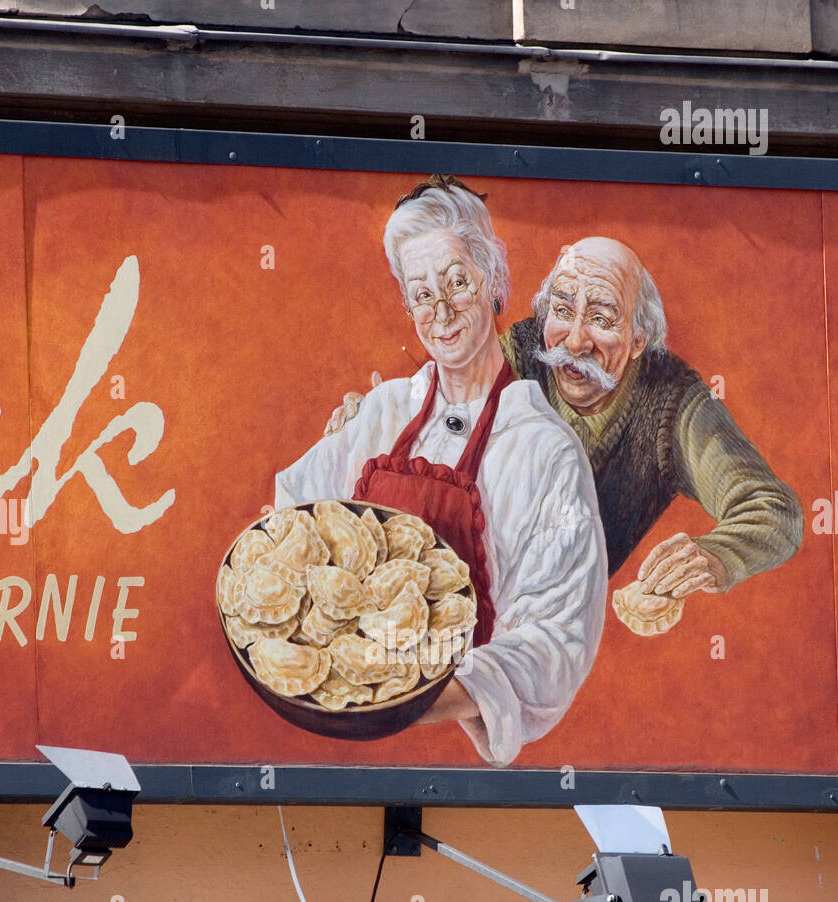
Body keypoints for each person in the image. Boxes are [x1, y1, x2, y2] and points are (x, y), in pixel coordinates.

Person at [273, 176, 607, 766]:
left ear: (493, 281)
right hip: (341, 725)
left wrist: (396, 700)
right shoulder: (381, 413)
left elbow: (556, 641)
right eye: (422, 294)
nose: (443, 312)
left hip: (447, 744)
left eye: (457, 282)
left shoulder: (543, 452)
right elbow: (290, 527)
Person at [329, 235, 803, 603]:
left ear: (638, 340)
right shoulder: (520, 352)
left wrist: (715, 556)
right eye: (561, 310)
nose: (574, 341)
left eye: (601, 318)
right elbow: (437, 410)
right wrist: (375, 420)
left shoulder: (673, 403)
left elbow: (774, 510)